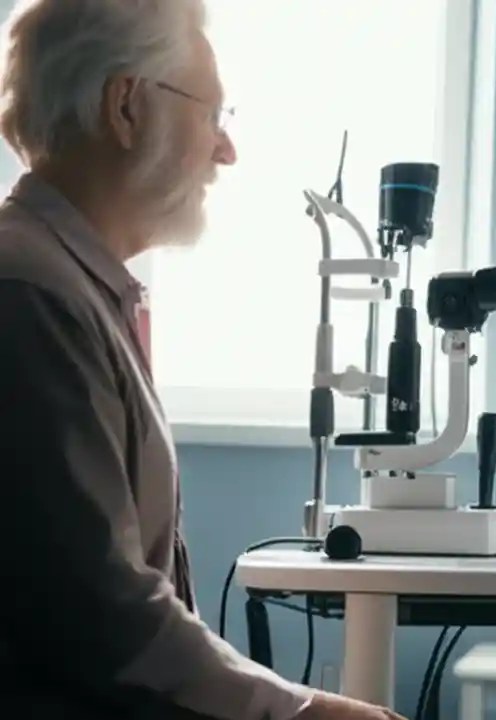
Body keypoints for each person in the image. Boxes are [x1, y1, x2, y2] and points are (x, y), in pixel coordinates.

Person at [0, 1, 404, 718]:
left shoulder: (75, 289)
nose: (227, 151)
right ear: (125, 107)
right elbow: (103, 616)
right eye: (212, 114)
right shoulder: (33, 296)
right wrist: (303, 713)